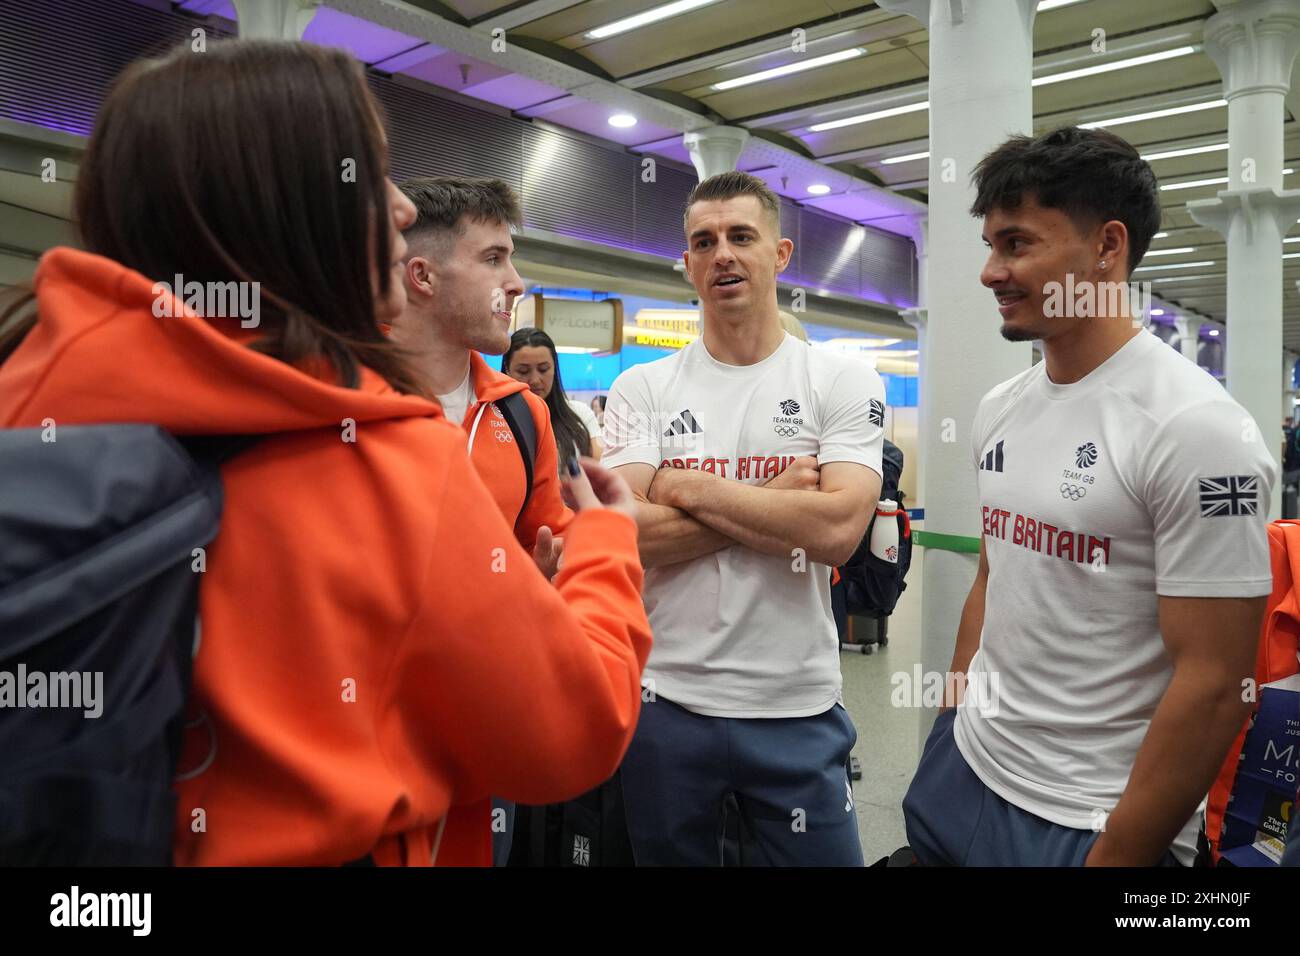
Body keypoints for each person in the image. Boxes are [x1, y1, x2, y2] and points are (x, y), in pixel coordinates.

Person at [0, 39, 652, 867]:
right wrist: (607, 546)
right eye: (367, 176)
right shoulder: (387, 466)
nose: (402, 208)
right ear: (287, 208)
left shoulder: (27, 393)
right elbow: (572, 732)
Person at [902, 126, 1276, 867]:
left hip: (1088, 815)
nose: (990, 272)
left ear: (1107, 247)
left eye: (1016, 244)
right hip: (966, 768)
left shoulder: (1197, 430)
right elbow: (993, 575)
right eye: (989, 245)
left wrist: (1117, 855)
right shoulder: (1002, 405)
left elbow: (1214, 683)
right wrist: (953, 717)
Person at [602, 170, 885, 866]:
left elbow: (837, 531)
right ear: (689, 263)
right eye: (704, 241)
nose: (722, 253)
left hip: (796, 706)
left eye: (740, 236)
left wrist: (681, 486)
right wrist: (780, 502)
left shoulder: (839, 380)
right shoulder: (642, 387)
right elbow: (625, 538)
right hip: (668, 701)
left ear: (780, 255)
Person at [388, 176, 576, 865]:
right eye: (494, 259)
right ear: (423, 276)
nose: (517, 280)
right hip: (363, 737)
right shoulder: (339, 396)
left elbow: (555, 545)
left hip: (483, 734)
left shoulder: (521, 417)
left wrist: (541, 585)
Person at [503, 327, 603, 462]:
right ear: (507, 369)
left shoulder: (580, 414)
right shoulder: (495, 419)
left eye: (543, 369)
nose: (535, 380)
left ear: (554, 367)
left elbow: (601, 465)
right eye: (523, 371)